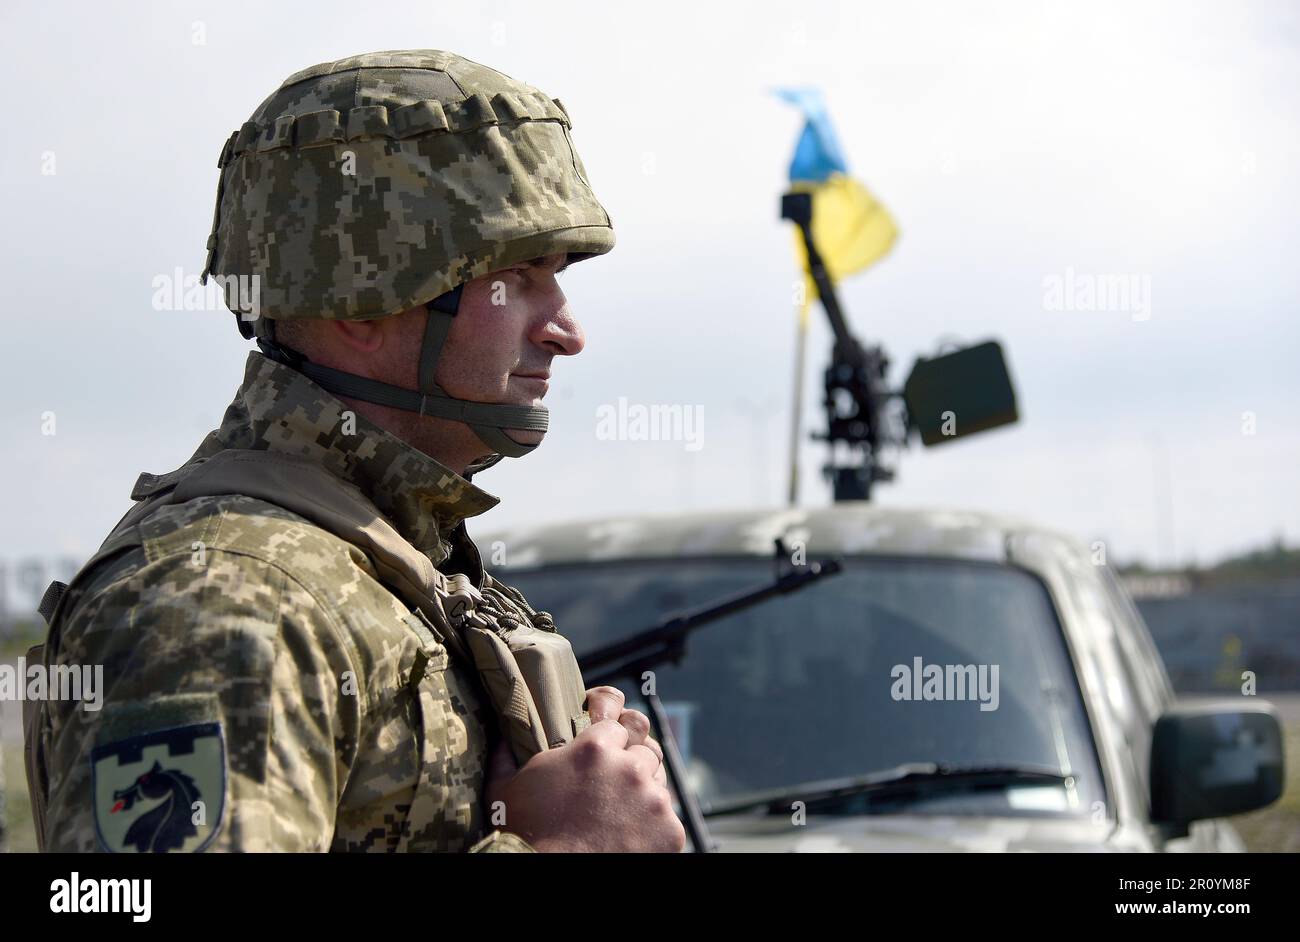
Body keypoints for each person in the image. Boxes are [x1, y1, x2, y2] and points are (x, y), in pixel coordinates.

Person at [26, 49, 685, 854]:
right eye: (518, 276)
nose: (566, 330)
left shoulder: (395, 562)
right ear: (362, 302)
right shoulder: (228, 602)